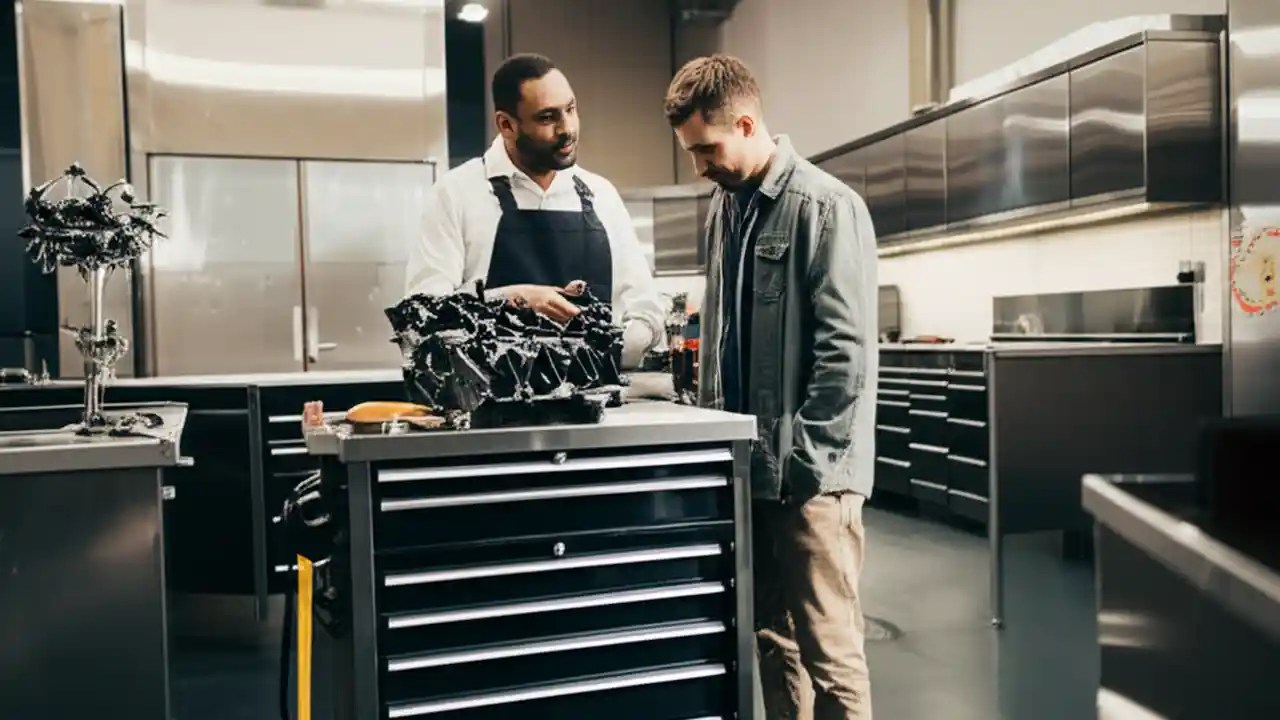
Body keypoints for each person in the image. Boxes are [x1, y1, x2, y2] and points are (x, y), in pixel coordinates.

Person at [665, 54, 879, 719]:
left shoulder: (826, 206)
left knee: (830, 654)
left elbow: (845, 355)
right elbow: (719, 336)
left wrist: (804, 467)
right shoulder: (724, 209)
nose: (699, 166)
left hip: (812, 484)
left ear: (746, 123)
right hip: (749, 474)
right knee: (771, 640)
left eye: (706, 149)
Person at [406, 53, 663, 367]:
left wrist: (614, 349)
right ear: (506, 125)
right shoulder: (456, 194)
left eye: (571, 109)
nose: (567, 128)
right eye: (547, 118)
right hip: (492, 397)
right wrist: (514, 299)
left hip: (595, 395)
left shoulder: (602, 195)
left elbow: (646, 310)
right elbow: (422, 316)